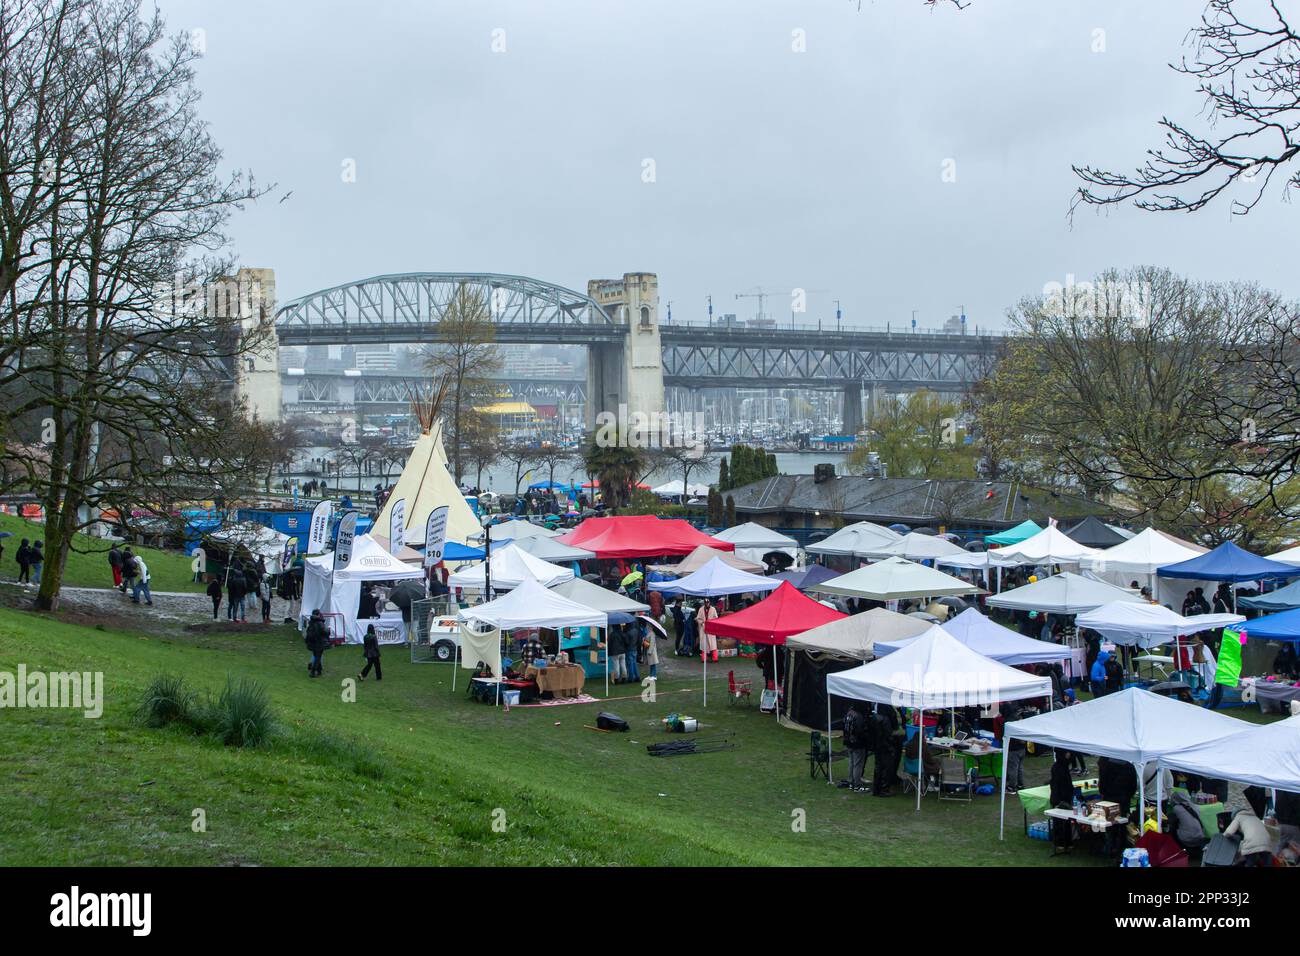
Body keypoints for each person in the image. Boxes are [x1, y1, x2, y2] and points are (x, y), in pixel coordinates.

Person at [1049, 748, 1076, 851]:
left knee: (1066, 821)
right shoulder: (1058, 767)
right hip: (1059, 798)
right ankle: (1060, 842)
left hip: (1065, 796)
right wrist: (1058, 800)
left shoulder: (1063, 765)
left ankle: (1067, 841)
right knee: (1059, 822)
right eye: (1067, 753)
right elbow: (1056, 785)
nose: (1069, 755)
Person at [1167, 789, 1208, 855]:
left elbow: (1172, 822)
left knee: (1172, 824)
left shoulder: (1176, 808)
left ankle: (1175, 848)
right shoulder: (1195, 806)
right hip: (1200, 836)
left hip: (1187, 839)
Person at [868, 706, 896, 797]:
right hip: (885, 746)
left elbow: (871, 733)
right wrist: (891, 747)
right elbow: (888, 735)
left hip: (877, 746)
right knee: (886, 768)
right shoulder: (885, 719)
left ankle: (876, 789)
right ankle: (884, 790)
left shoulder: (874, 718)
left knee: (878, 767)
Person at [1001, 701, 1027, 792]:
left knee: (1013, 768)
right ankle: (1020, 784)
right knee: (1019, 768)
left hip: (1013, 748)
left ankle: (1012, 786)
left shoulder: (1007, 722)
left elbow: (1005, 735)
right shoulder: (1018, 718)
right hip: (1022, 748)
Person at [842, 704, 869, 793]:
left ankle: (851, 780)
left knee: (851, 762)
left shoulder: (848, 714)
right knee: (857, 764)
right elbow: (860, 731)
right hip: (857, 743)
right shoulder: (859, 716)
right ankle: (857, 784)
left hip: (848, 741)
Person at [305, 609, 330, 677]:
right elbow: (324, 632)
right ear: (318, 614)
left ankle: (319, 670)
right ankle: (313, 671)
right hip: (319, 642)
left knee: (316, 656)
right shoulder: (320, 623)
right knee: (318, 657)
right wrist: (328, 630)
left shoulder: (311, 622)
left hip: (312, 642)